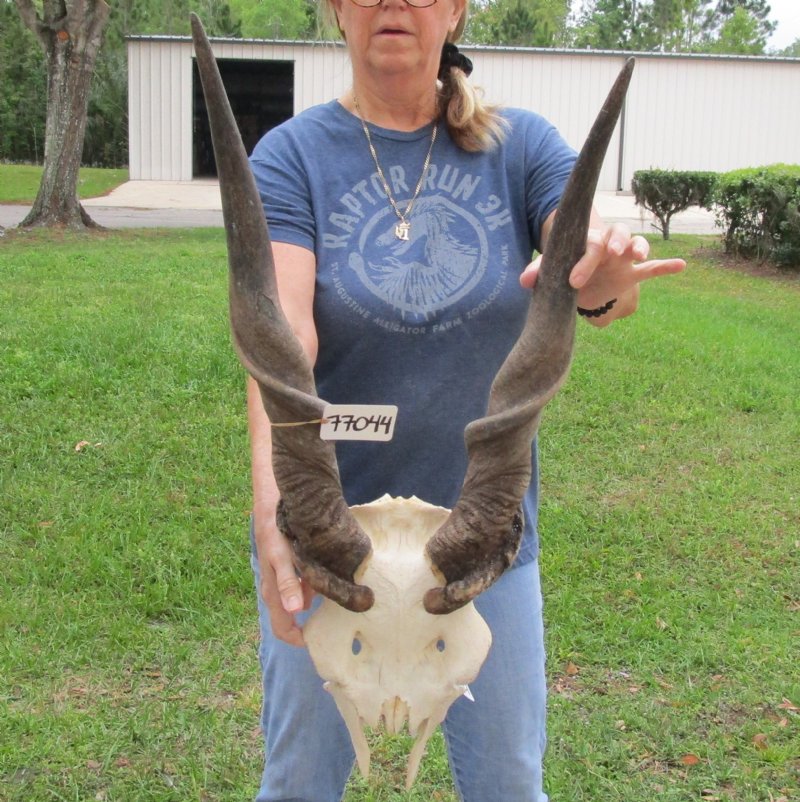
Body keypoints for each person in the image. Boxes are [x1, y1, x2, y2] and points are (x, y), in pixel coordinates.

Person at [245, 1, 685, 799]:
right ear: (337, 11)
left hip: (481, 545)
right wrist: (275, 511)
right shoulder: (292, 154)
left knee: (509, 782)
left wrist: (602, 275)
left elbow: (575, 253)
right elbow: (282, 341)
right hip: (329, 542)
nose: (393, 4)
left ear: (454, 11)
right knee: (299, 781)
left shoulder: (521, 148)